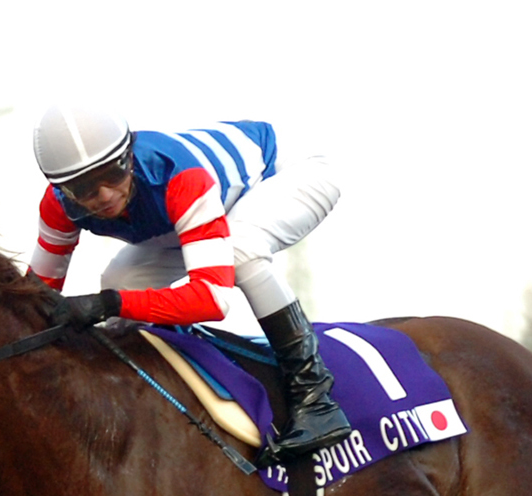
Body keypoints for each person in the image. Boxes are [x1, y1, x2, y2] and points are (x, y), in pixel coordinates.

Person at [27, 105, 351, 463]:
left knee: (239, 252)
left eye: (112, 173)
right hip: (202, 208)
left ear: (128, 155)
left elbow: (212, 299)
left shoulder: (180, 176)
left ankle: (315, 398)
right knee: (122, 280)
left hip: (290, 171)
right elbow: (34, 296)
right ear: (61, 188)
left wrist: (108, 305)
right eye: (84, 187)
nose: (104, 195)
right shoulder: (56, 206)